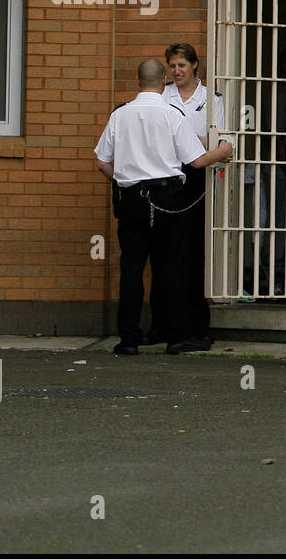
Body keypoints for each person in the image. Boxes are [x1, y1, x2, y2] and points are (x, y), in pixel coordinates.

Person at [94, 58, 233, 355]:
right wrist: (222, 151)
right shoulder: (172, 114)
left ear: (137, 80)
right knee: (172, 267)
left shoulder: (120, 115)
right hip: (167, 198)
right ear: (162, 82)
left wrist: (122, 180)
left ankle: (129, 339)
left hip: (131, 199)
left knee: (131, 270)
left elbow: (102, 160)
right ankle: (177, 336)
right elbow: (196, 160)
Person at [154, 43, 226, 345]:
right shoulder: (162, 96)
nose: (176, 71)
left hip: (198, 175)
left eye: (182, 65)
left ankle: (196, 325)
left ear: (195, 65)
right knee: (165, 254)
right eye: (172, 66)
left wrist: (189, 140)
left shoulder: (211, 98)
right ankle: (164, 325)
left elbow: (217, 136)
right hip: (168, 174)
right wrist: (193, 140)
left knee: (194, 252)